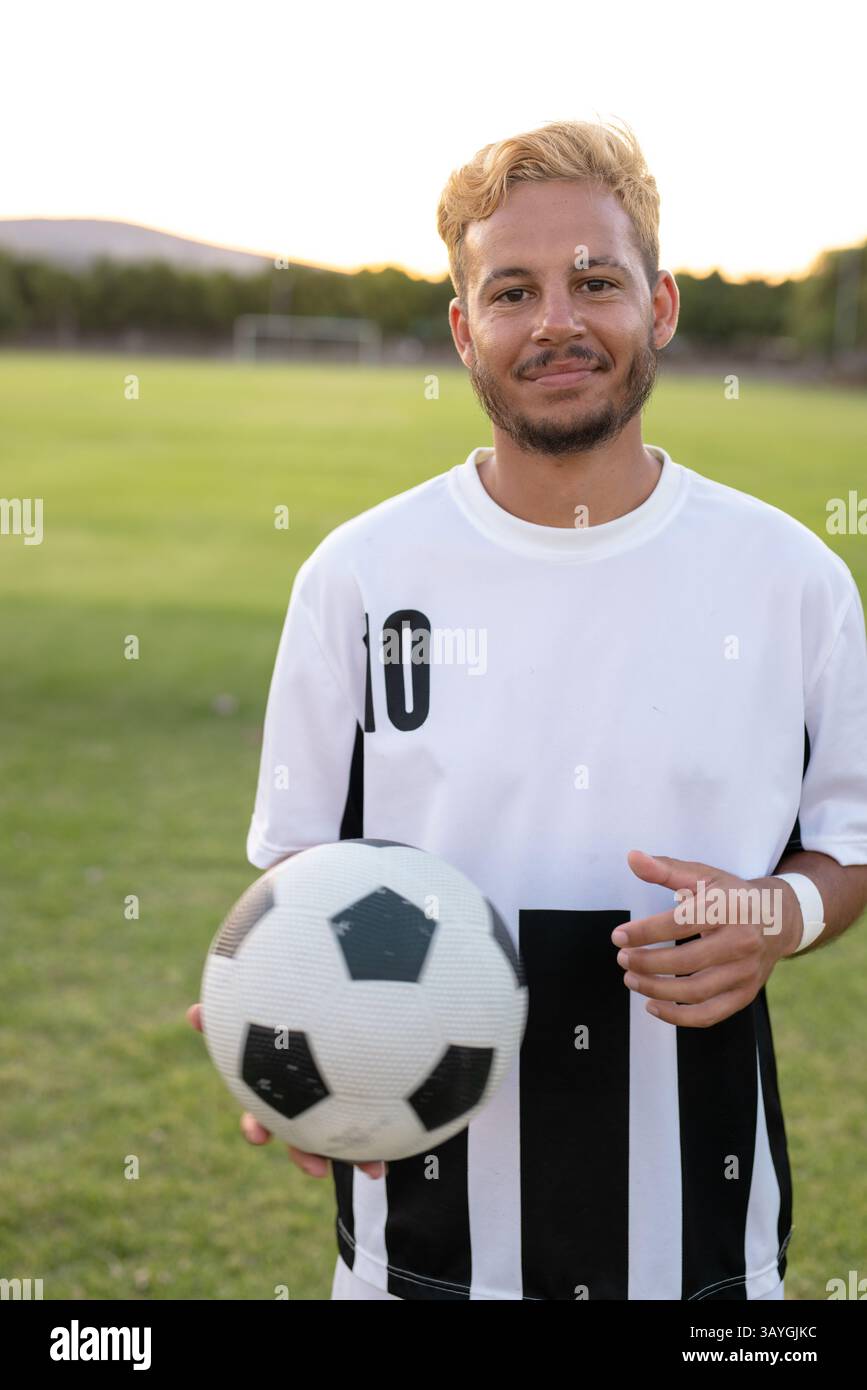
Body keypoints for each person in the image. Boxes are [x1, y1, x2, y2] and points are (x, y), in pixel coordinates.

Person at [189, 118, 867, 1300]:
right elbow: (299, 883)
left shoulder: (791, 577)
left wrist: (780, 911)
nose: (557, 320)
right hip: (420, 1256)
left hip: (703, 1259)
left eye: (594, 281)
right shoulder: (357, 576)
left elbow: (849, 846)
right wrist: (286, 1030)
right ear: (465, 329)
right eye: (513, 291)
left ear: (657, 307)